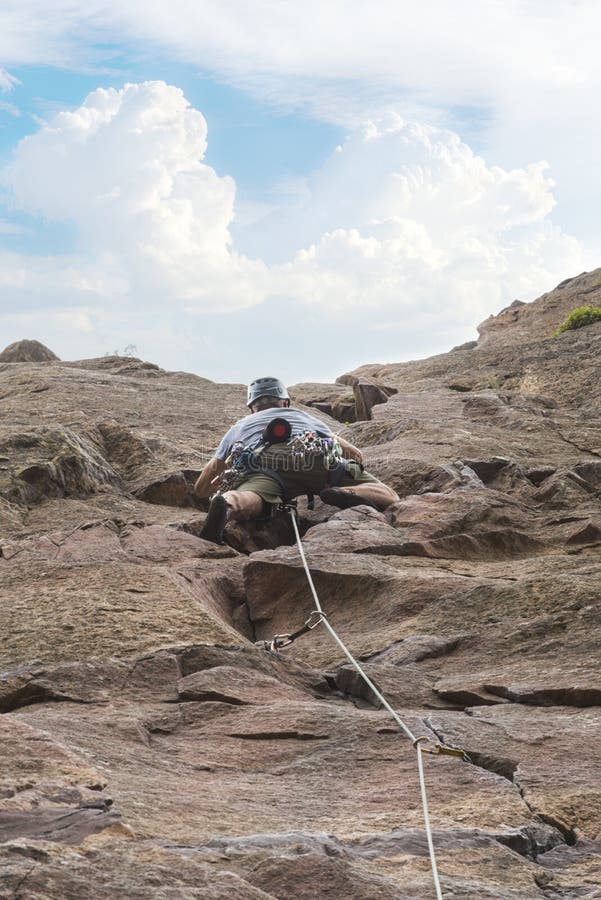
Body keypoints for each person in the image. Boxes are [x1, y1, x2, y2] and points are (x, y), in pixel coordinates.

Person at [195, 376, 399, 543]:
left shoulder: (241, 425)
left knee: (252, 495)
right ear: (284, 402)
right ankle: (343, 492)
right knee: (388, 494)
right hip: (314, 458)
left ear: (252, 407)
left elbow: (213, 468)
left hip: (264, 466)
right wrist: (347, 469)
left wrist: (202, 490)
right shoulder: (304, 417)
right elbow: (355, 454)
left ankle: (228, 504)